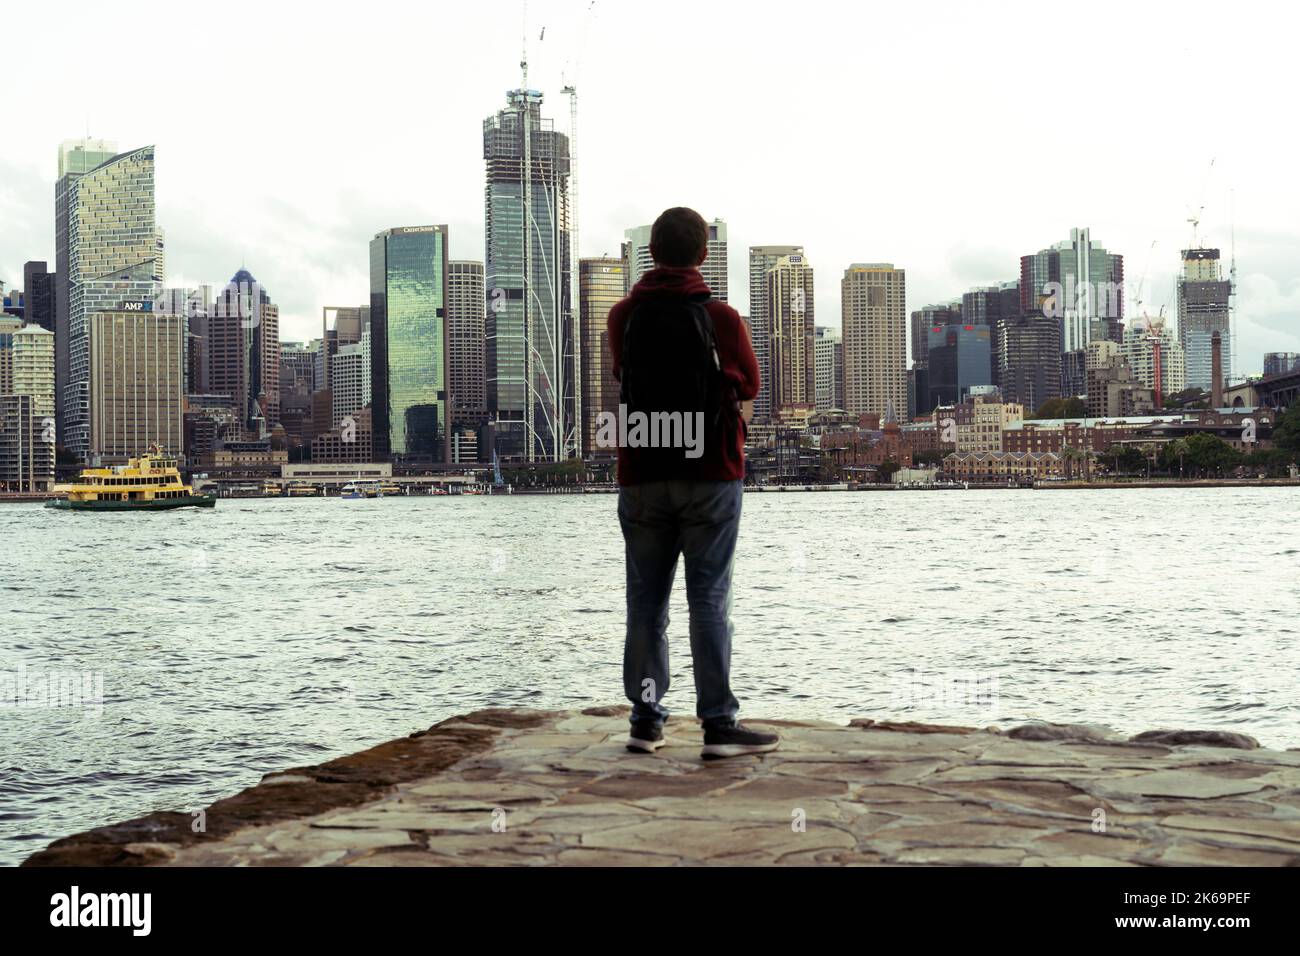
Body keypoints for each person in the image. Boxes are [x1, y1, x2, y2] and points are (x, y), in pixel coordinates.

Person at [605, 206, 780, 760]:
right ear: (704, 255)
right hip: (710, 473)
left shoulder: (622, 315)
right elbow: (750, 381)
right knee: (708, 600)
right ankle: (718, 727)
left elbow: (620, 375)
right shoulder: (722, 318)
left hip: (642, 470)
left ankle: (645, 720)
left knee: (645, 604)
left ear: (650, 253)